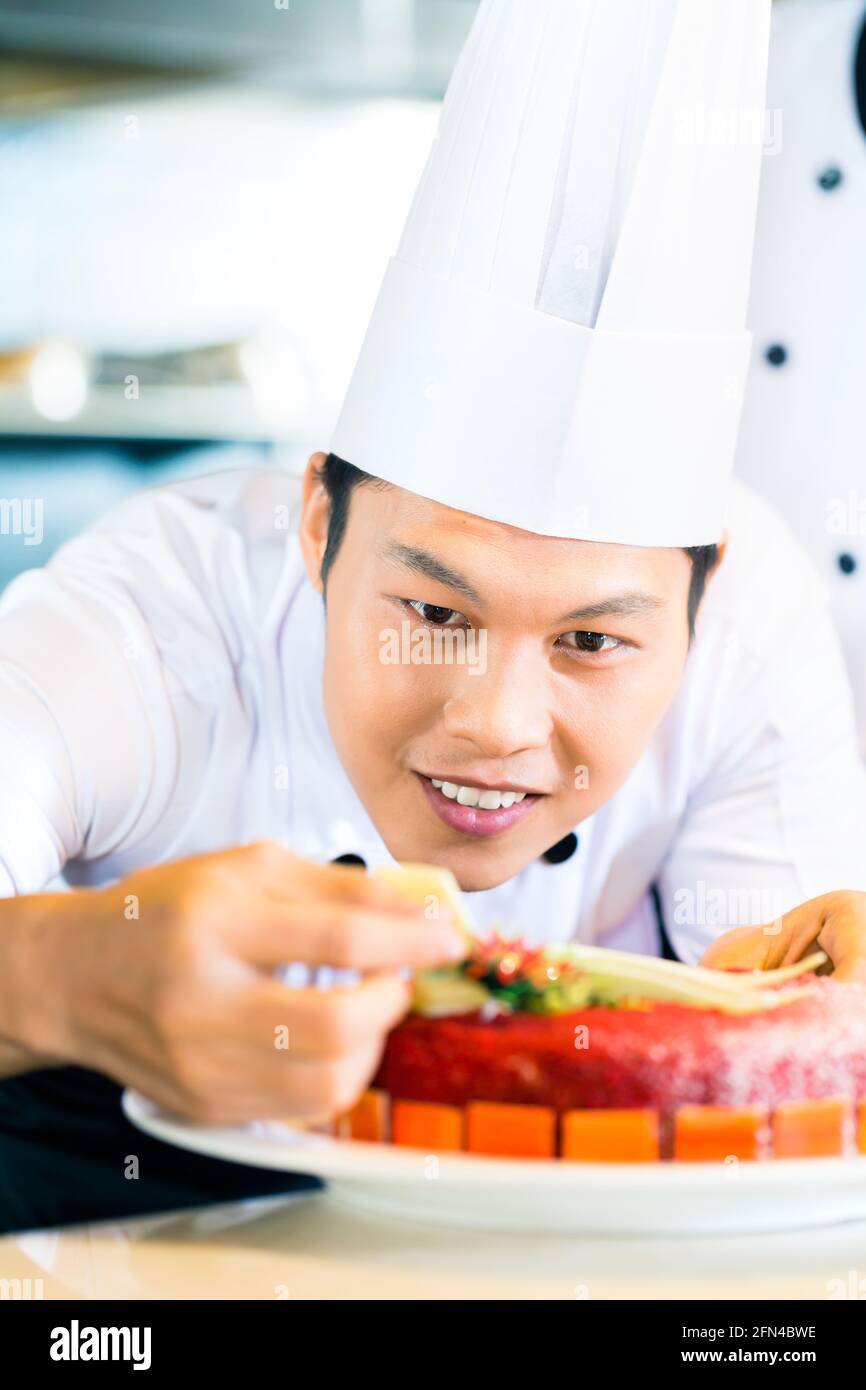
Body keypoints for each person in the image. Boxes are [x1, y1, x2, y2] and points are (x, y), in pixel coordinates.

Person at [1, 0, 865, 1230]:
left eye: (590, 642)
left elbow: (797, 1104)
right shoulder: (155, 615)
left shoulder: (751, 622)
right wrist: (56, 973)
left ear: (700, 594)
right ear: (317, 526)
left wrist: (827, 1010)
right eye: (433, 610)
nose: (498, 728)